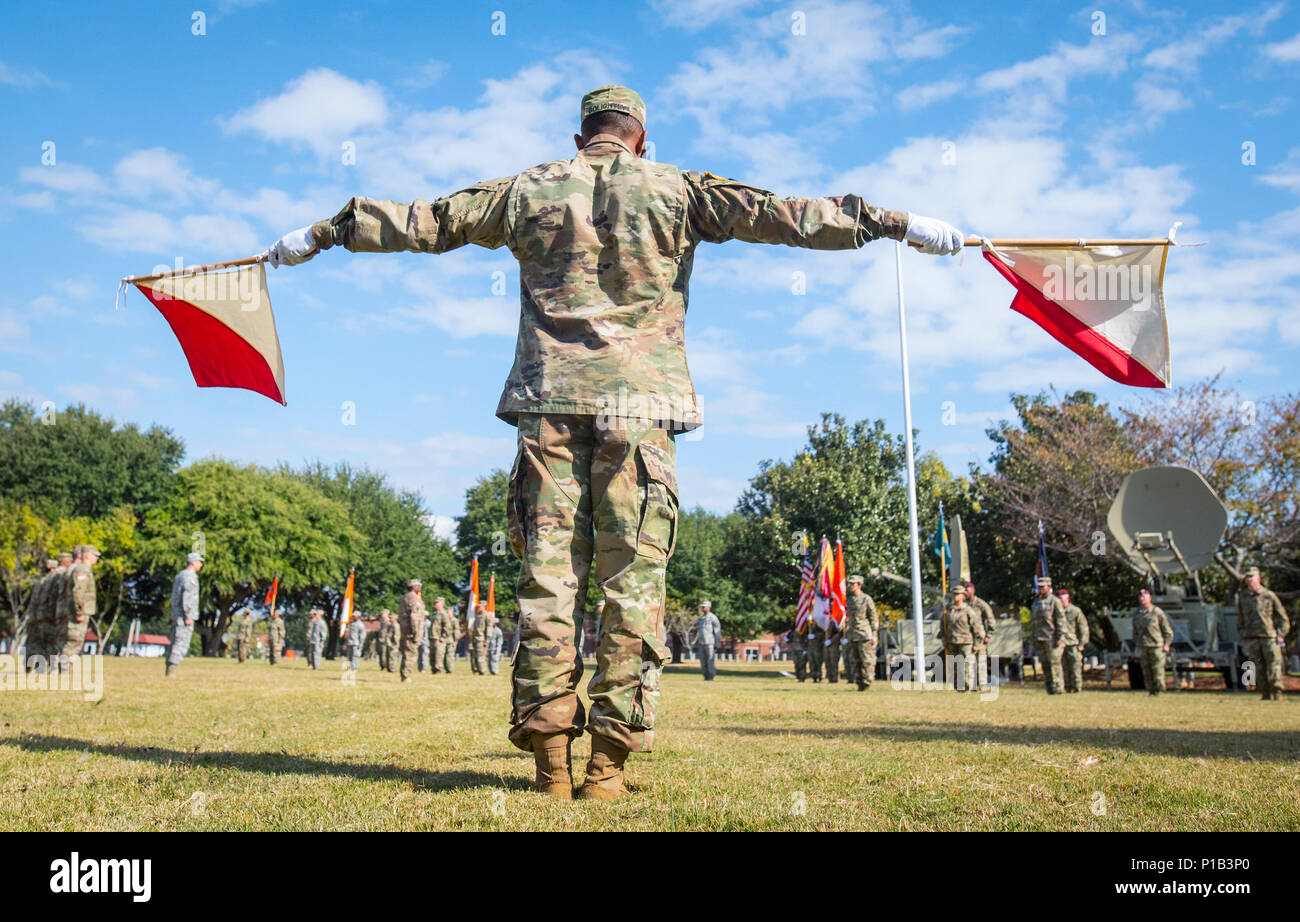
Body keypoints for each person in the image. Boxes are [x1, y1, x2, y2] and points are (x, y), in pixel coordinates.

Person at [265, 84, 963, 800]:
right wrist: (895, 223)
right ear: (641, 138)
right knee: (632, 586)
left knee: (548, 580)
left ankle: (550, 765)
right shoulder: (679, 189)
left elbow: (429, 222)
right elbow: (788, 216)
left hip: (549, 406)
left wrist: (320, 235)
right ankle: (606, 771)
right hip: (640, 408)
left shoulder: (526, 189)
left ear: (581, 139)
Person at [1235, 567, 1289, 701]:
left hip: (1269, 637)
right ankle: (1264, 694)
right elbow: (1240, 619)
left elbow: (1283, 617)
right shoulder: (1243, 597)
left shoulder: (1269, 595)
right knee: (1257, 667)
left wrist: (1281, 634)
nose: (1249, 579)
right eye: (1247, 577)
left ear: (1258, 578)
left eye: (1251, 577)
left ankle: (1277, 693)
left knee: (1274, 666)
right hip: (1252, 637)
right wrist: (1243, 634)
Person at [56, 544, 99, 670]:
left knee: (69, 641)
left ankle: (59, 669)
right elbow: (78, 592)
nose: (96, 558)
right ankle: (63, 670)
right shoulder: (83, 570)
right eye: (94, 555)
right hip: (78, 612)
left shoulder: (81, 569)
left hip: (73, 610)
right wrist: (79, 612)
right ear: (86, 555)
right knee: (74, 642)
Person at [940, 584, 984, 692]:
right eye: (954, 594)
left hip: (966, 642)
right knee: (954, 665)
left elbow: (977, 628)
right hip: (952, 641)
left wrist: (977, 644)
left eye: (958, 594)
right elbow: (943, 625)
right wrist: (943, 638)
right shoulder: (948, 610)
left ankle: (968, 686)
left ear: (963, 596)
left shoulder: (968, 611)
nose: (955, 596)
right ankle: (958, 687)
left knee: (967, 665)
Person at [1132, 588, 1173, 696]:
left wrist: (1167, 644)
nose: (1142, 599)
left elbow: (1167, 630)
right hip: (1143, 645)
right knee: (1146, 671)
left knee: (1157, 670)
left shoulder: (1156, 612)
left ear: (1149, 598)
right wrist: (1137, 644)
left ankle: (1160, 691)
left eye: (1144, 597)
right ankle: (1151, 691)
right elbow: (1135, 631)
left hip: (1156, 646)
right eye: (1140, 597)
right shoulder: (1137, 614)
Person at [167, 552, 202, 677]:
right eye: (199, 561)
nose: (201, 564)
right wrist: (188, 616)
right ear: (193, 562)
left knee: (175, 640)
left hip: (177, 613)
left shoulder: (180, 575)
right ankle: (172, 668)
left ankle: (170, 666)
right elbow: (187, 597)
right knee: (181, 641)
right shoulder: (190, 577)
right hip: (183, 615)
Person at [1030, 577, 1066, 694]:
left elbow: (1060, 620)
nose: (1040, 589)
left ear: (1049, 587)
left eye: (1043, 586)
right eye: (1039, 587)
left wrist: (1060, 637)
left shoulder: (1055, 601)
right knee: (1045, 664)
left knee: (1054, 663)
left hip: (1052, 638)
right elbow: (1034, 621)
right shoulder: (1036, 601)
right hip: (1040, 638)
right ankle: (1049, 688)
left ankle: (1058, 687)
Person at [843, 575, 879, 691]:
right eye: (850, 584)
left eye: (853, 584)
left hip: (864, 634)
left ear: (860, 585)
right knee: (854, 660)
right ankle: (859, 683)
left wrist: (874, 634)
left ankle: (867, 683)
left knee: (867, 660)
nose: (851, 586)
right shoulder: (849, 600)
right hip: (852, 634)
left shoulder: (866, 599)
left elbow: (873, 617)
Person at [22, 557, 58, 673]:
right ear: (52, 569)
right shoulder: (49, 582)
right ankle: (41, 668)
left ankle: (28, 666)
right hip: (44, 616)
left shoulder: (38, 582)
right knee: (46, 643)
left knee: (32, 642)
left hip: (33, 616)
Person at [964, 581, 996, 689]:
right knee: (969, 662)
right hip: (967, 636)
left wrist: (988, 635)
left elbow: (990, 619)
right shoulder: (964, 605)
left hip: (980, 636)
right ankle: (971, 685)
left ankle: (982, 685)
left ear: (973, 591)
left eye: (967, 590)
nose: (965, 593)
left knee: (981, 661)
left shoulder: (981, 604)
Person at [1057, 589, 1089, 693]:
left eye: (1063, 598)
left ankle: (1076, 688)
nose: (1061, 600)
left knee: (1075, 667)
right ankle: (1066, 688)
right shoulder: (1057, 611)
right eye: (1059, 598)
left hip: (1073, 643)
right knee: (1063, 668)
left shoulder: (1075, 611)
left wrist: (1082, 643)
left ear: (1068, 598)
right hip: (1061, 643)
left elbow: (1083, 628)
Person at [398, 579, 427, 682]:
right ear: (414, 587)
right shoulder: (414, 599)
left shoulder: (404, 598)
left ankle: (404, 675)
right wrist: (415, 632)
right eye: (418, 585)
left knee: (406, 653)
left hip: (404, 630)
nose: (420, 587)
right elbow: (414, 617)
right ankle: (406, 676)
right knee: (411, 654)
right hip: (411, 632)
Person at [694, 601, 721, 681]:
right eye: (702, 607)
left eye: (704, 607)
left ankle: (711, 676)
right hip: (701, 642)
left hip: (710, 642)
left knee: (710, 660)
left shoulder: (713, 617)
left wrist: (717, 641)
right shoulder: (701, 618)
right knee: (703, 660)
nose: (703, 608)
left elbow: (717, 630)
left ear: (709, 607)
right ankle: (705, 676)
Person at [430, 597, 456, 674]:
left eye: (437, 603)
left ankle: (438, 669)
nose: (435, 605)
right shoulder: (434, 614)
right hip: (432, 637)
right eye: (435, 603)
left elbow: (447, 626)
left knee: (439, 654)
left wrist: (443, 636)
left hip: (439, 638)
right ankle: (433, 669)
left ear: (441, 604)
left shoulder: (443, 613)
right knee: (432, 655)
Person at [472, 603, 494, 675]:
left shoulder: (487, 616)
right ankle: (479, 670)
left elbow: (489, 628)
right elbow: (475, 629)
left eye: (480, 606)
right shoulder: (478, 615)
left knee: (481, 655)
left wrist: (487, 640)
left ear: (484, 607)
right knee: (477, 655)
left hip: (482, 639)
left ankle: (482, 671)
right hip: (476, 638)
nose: (478, 608)